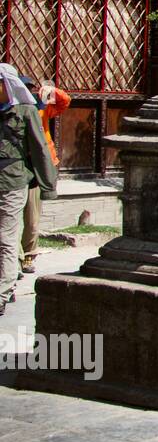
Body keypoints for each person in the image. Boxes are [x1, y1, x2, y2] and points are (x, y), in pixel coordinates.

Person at [0, 64, 57, 313]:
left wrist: (48, 186)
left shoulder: (26, 111)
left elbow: (39, 149)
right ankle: (9, 284)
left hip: (12, 183)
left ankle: (1, 292)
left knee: (6, 238)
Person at [20, 76, 70, 275]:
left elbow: (64, 101)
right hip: (16, 164)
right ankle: (12, 257)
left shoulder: (42, 107)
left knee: (32, 215)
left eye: (32, 89)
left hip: (36, 165)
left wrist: (49, 91)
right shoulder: (9, 109)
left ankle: (28, 254)